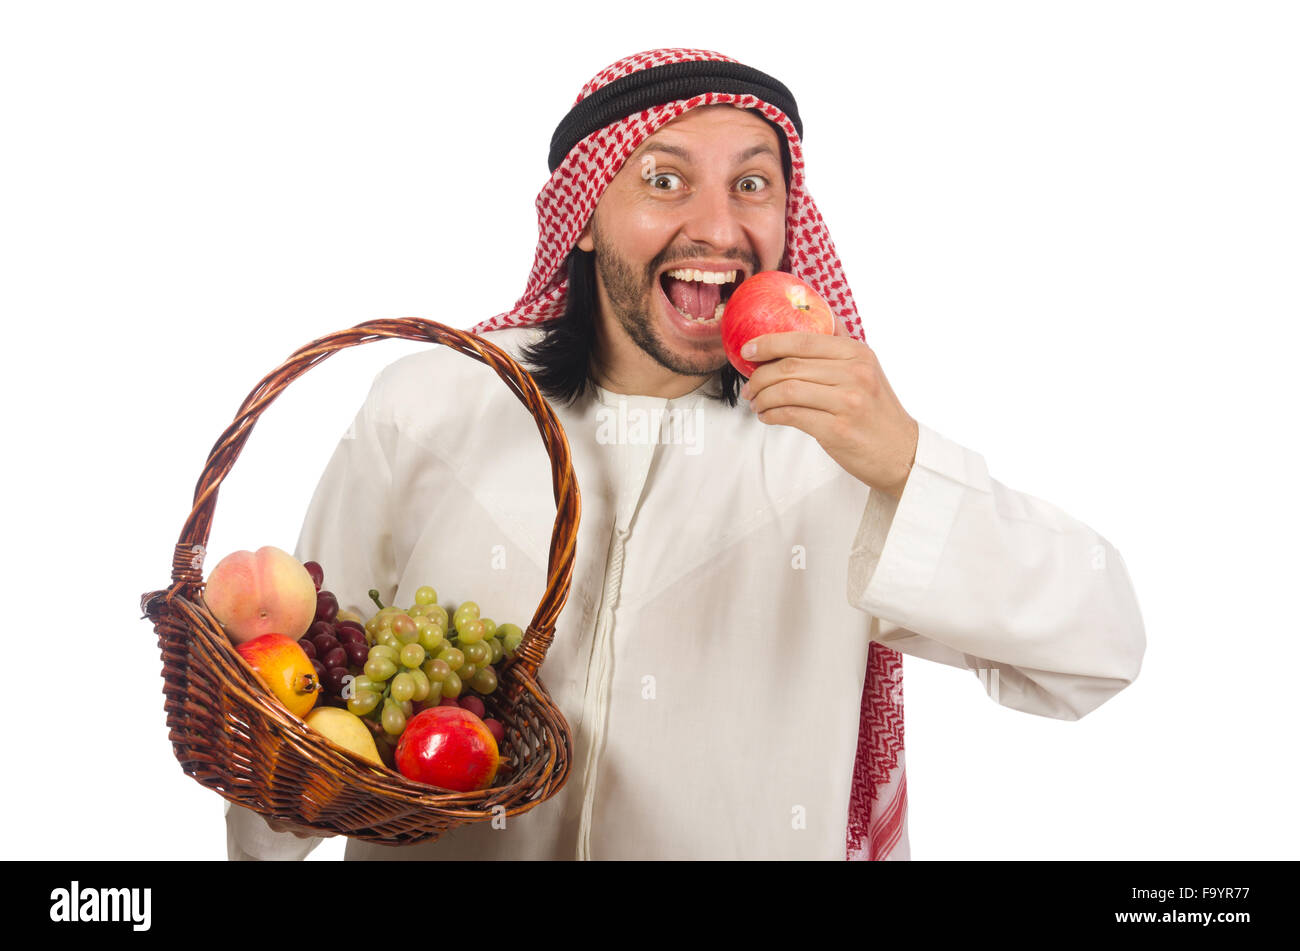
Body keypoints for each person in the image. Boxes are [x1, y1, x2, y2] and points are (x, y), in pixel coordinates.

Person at [226, 48, 1146, 861]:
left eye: (752, 184)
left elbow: (1097, 649)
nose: (717, 227)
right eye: (665, 180)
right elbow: (294, 698)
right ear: (582, 217)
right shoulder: (431, 402)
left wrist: (907, 463)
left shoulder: (838, 452)